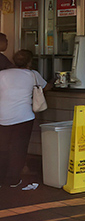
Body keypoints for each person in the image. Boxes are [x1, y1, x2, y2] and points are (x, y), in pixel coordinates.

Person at [0, 49, 52, 188]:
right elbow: (47, 88)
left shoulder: (2, 75)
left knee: (2, 149)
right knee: (19, 149)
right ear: (30, 62)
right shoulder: (32, 75)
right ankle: (13, 180)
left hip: (3, 117)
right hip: (24, 117)